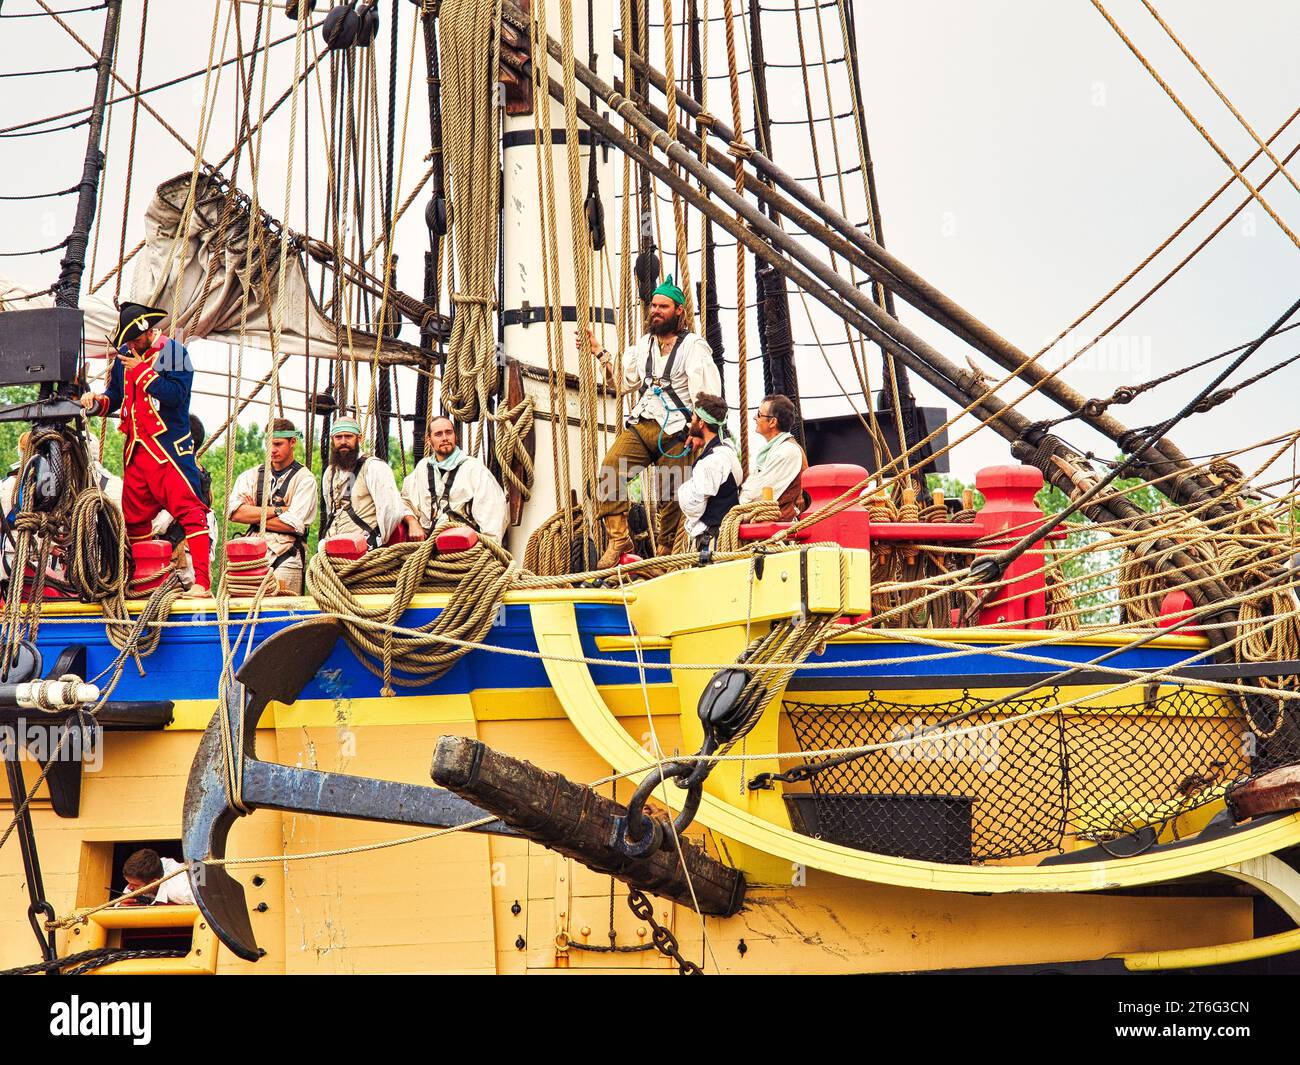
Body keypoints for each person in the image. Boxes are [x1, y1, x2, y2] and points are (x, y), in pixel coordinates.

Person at [581, 276, 721, 566]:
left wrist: (698, 434)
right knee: (610, 469)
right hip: (643, 425)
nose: (655, 311)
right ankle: (619, 537)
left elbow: (706, 397)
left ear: (679, 311)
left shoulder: (694, 347)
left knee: (671, 493)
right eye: (654, 306)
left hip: (677, 432)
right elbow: (623, 381)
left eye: (663, 306)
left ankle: (665, 550)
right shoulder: (643, 345)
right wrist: (599, 352)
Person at [79, 303, 212, 596]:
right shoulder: (125, 356)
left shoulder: (175, 353)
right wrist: (95, 402)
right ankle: (144, 582)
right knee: (135, 518)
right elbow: (115, 398)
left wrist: (142, 372)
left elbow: (176, 396)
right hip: (137, 452)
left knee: (190, 509)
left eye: (134, 339)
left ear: (148, 331)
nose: (129, 345)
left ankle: (202, 582)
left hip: (168, 451)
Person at [227, 418, 318, 593]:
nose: (272, 450)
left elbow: (293, 524)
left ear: (292, 442)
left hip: (286, 555)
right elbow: (234, 513)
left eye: (278, 444)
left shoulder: (305, 480)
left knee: (282, 609)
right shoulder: (251, 475)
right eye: (269, 444)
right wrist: (278, 511)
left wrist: (253, 516)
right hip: (251, 554)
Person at [401, 416, 508, 541]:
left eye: (448, 432)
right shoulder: (422, 468)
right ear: (429, 440)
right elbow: (404, 501)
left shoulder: (473, 468)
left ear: (455, 436)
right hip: (426, 544)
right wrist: (412, 523)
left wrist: (487, 549)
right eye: (438, 434)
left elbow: (493, 513)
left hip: (462, 547)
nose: (445, 438)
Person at [318, 417, 405, 549]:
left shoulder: (374, 467)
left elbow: (391, 511)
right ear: (332, 440)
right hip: (334, 547)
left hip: (366, 549)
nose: (343, 441)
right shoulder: (330, 473)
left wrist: (376, 542)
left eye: (348, 436)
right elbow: (332, 510)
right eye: (338, 437)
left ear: (359, 438)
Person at [676, 393, 742, 550]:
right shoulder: (727, 450)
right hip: (723, 537)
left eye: (693, 417)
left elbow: (693, 506)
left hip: (713, 542)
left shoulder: (712, 461)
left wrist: (683, 489)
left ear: (701, 423)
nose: (690, 422)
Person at [740, 394, 807, 520]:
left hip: (779, 530)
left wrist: (744, 497)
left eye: (759, 414)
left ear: (772, 422)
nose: (755, 418)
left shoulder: (787, 451)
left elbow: (755, 496)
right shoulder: (773, 451)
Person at [121, 848, 195, 906]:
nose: (129, 888)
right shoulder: (144, 874)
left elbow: (205, 908)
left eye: (135, 885)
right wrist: (120, 908)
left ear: (153, 883)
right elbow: (120, 904)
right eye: (128, 882)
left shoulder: (182, 890)